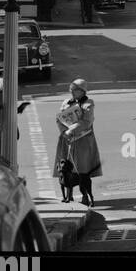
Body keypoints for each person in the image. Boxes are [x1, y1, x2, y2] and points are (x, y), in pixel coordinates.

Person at [53, 78, 102, 206]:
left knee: (82, 168)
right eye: (72, 90)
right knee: (66, 167)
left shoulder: (88, 103)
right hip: (67, 139)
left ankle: (85, 195)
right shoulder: (66, 102)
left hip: (83, 140)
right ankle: (69, 195)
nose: (73, 92)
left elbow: (87, 122)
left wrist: (71, 130)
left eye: (76, 90)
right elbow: (59, 118)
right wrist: (64, 132)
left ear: (83, 91)